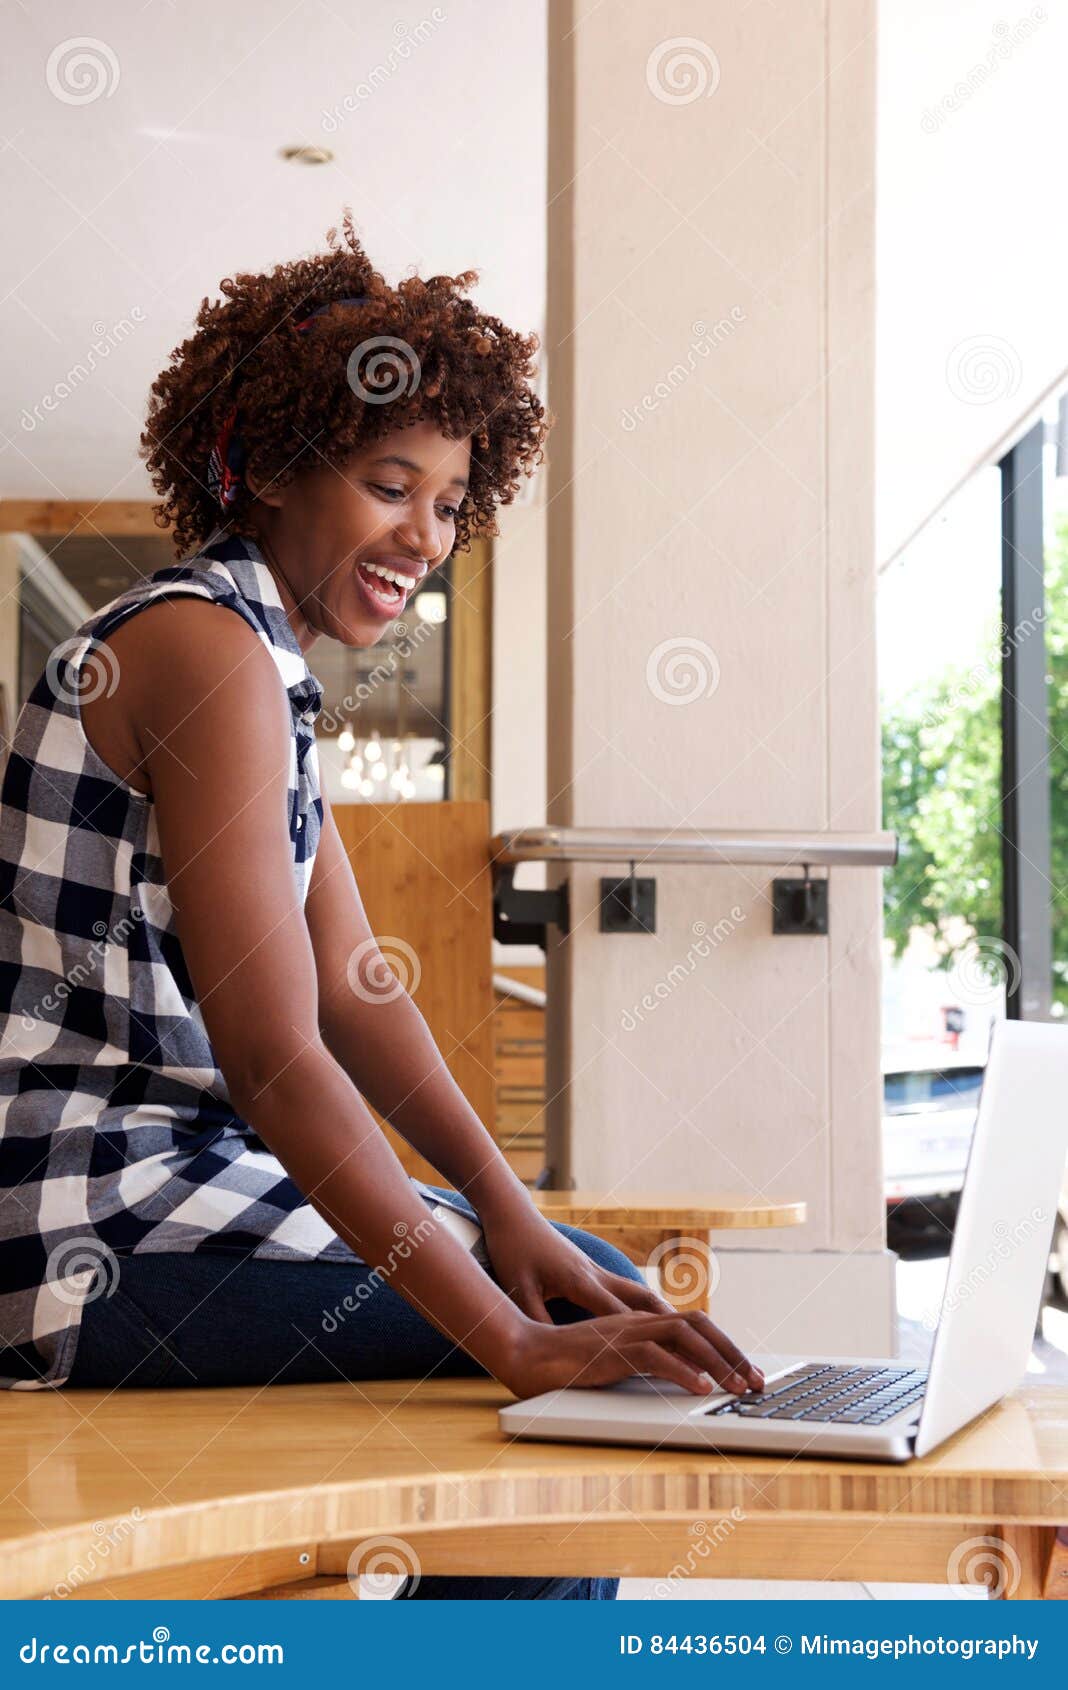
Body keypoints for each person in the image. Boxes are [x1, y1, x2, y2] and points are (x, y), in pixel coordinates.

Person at [0, 213, 761, 1600]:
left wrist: (505, 1206)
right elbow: (278, 1055)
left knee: (571, 1278)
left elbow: (356, 986)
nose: (427, 534)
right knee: (572, 1372)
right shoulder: (204, 650)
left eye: (451, 502)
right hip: (86, 1225)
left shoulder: (257, 668)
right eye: (389, 483)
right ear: (279, 470)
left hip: (157, 1195)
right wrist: (505, 1335)